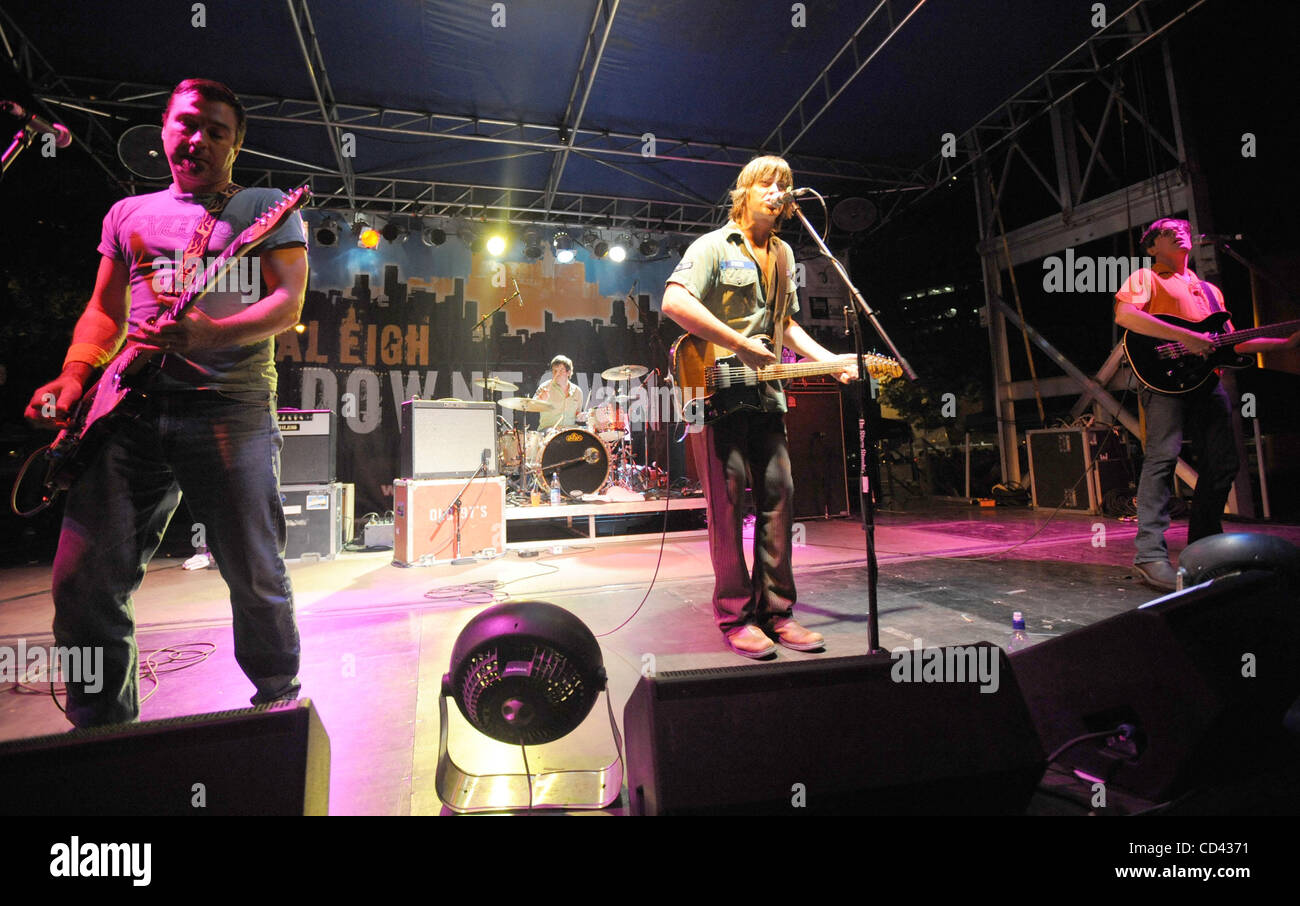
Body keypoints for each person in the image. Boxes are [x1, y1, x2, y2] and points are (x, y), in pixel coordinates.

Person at [24, 78, 309, 727]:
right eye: (187, 124)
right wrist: (72, 378)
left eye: (216, 129)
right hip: (129, 408)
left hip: (228, 408)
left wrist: (212, 333)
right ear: (164, 131)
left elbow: (287, 302)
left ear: (236, 143)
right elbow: (104, 311)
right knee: (82, 580)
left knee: (254, 569)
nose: (198, 138)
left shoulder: (267, 206)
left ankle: (277, 706)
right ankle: (99, 731)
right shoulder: (128, 215)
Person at [661, 155, 856, 658]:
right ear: (744, 192)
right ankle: (735, 616)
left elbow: (786, 324)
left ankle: (778, 612)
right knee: (726, 509)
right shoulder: (712, 246)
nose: (778, 191)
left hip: (766, 396)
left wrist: (829, 360)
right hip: (717, 394)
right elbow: (675, 302)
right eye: (767, 183)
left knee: (779, 497)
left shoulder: (785, 254)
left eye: (785, 186)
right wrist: (738, 343)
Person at [1114, 217, 1299, 590]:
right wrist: (1185, 335)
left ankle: (1203, 545)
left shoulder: (1209, 291)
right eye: (1167, 232)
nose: (1179, 232)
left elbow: (1231, 343)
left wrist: (1286, 344)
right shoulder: (1145, 279)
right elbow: (1126, 316)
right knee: (1162, 458)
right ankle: (1149, 555)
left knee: (1224, 461)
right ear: (1152, 248)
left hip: (1205, 381)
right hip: (1163, 377)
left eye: (1181, 228)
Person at [534, 354, 584, 431]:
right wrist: (541, 400)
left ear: (568, 372)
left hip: (570, 430)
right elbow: (532, 406)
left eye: (561, 370)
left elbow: (577, 413)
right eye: (555, 371)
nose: (557, 374)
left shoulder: (577, 391)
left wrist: (580, 416)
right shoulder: (545, 387)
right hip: (549, 429)